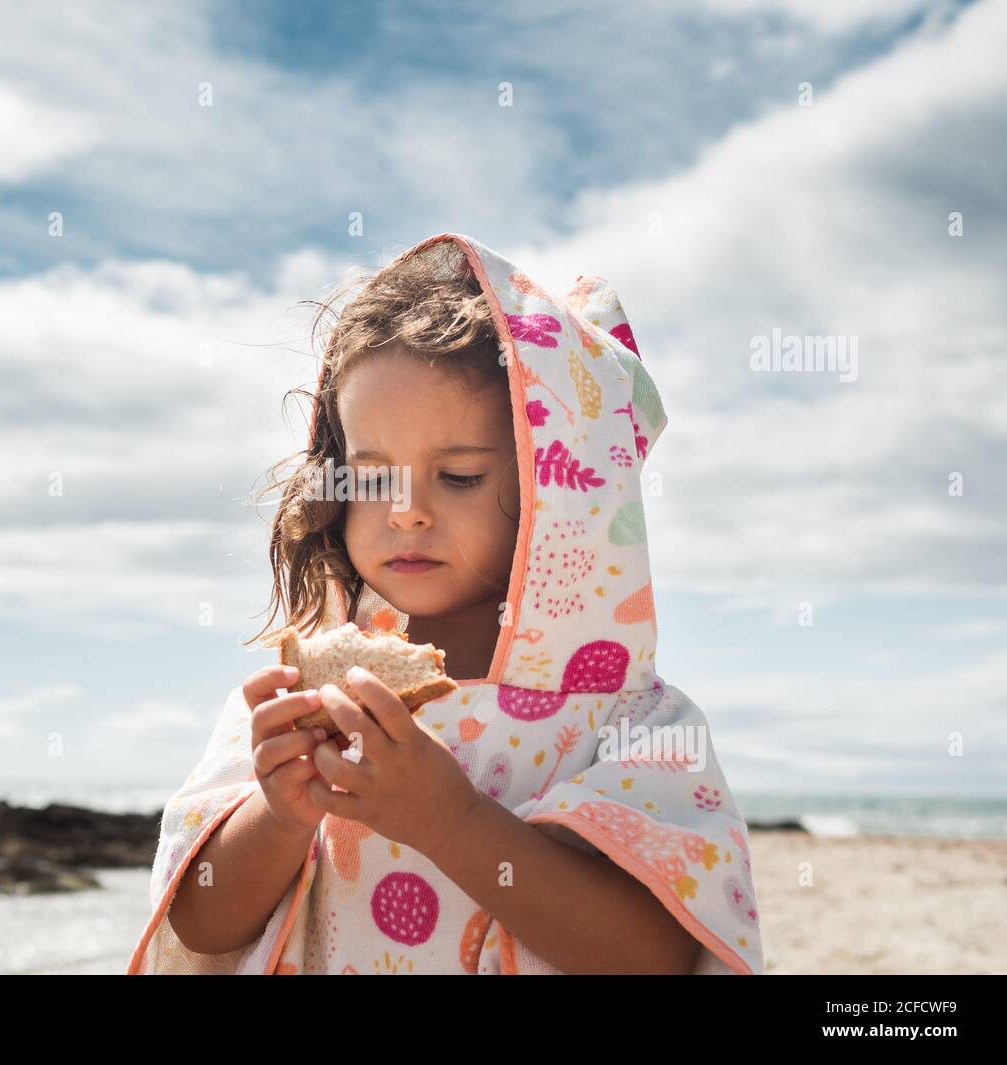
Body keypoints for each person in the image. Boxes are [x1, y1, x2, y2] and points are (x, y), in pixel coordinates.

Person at [125, 232, 764, 974]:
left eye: (457, 476)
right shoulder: (301, 703)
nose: (404, 511)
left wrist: (453, 822)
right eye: (370, 476)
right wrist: (277, 815)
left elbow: (655, 957)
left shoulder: (625, 720)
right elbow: (200, 924)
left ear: (554, 498)